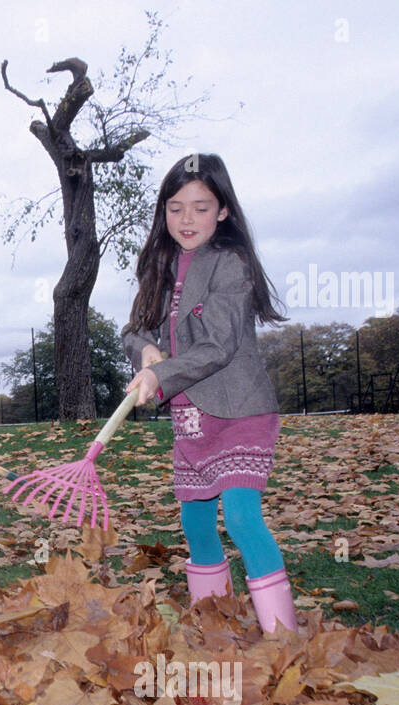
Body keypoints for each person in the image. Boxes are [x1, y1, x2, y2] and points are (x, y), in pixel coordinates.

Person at [121, 153, 298, 635]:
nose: (186, 219)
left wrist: (162, 376)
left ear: (222, 211)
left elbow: (219, 345)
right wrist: (146, 350)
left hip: (240, 409)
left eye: (201, 207)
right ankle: (215, 625)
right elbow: (134, 329)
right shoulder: (159, 265)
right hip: (191, 418)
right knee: (196, 524)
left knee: (241, 516)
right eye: (175, 208)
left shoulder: (231, 263)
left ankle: (283, 637)